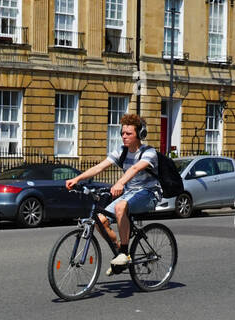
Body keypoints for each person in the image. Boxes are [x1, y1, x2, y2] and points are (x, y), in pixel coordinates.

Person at [65, 113, 162, 273]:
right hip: (130, 193)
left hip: (149, 193)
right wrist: (77, 178)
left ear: (140, 134)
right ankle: (119, 253)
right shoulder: (122, 151)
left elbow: (136, 168)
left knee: (120, 207)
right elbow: (100, 167)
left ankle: (125, 252)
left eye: (129, 133)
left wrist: (120, 182)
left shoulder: (148, 152)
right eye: (122, 133)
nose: (124, 136)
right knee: (100, 221)